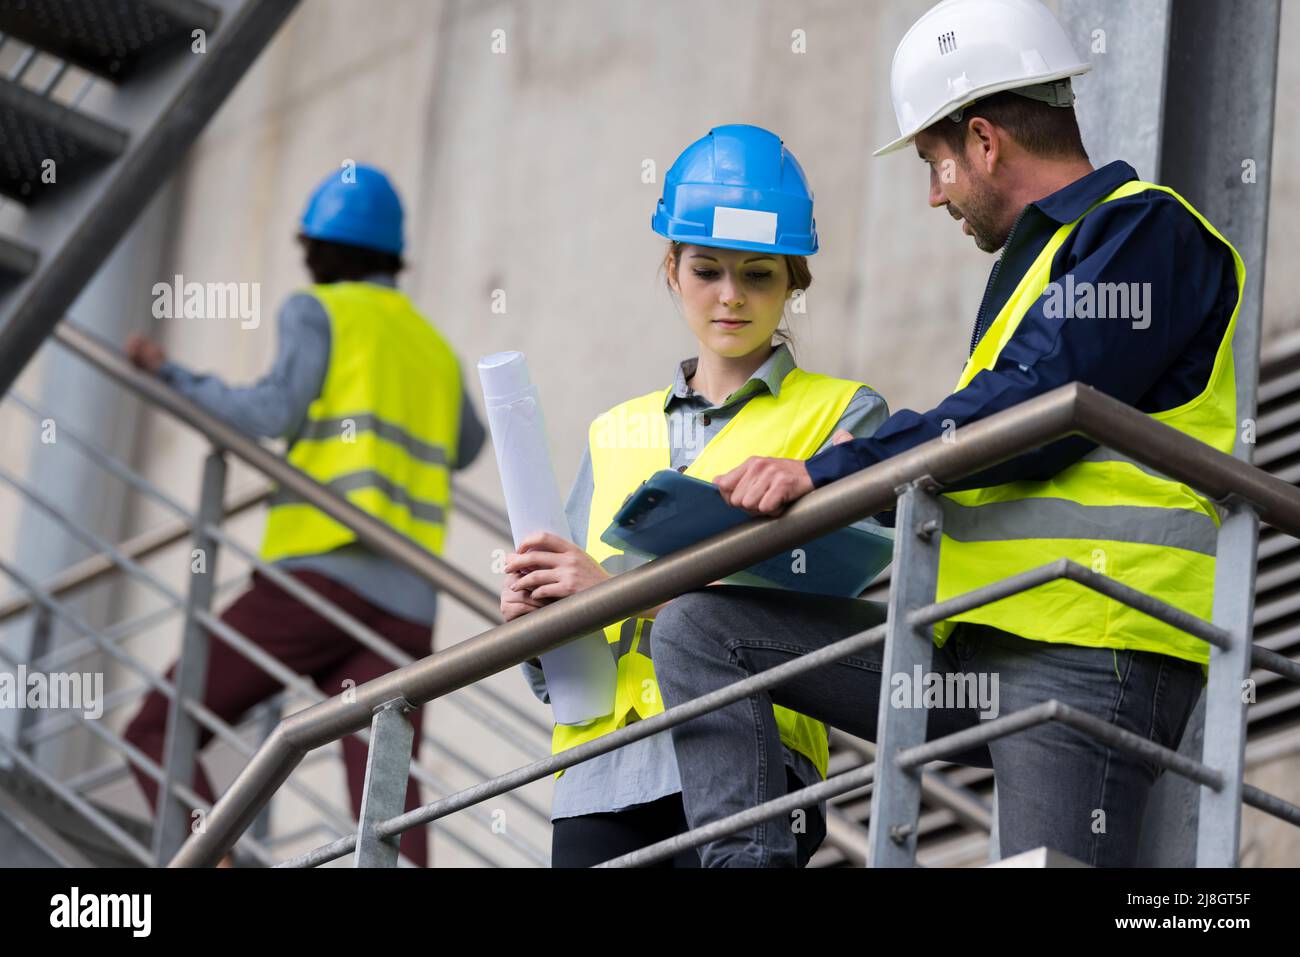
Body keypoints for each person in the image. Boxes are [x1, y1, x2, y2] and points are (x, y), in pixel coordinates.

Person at [650, 0, 1244, 867]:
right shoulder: (1038, 265)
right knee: (698, 627)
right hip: (973, 640)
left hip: (1091, 641)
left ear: (984, 140)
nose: (935, 194)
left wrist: (829, 473)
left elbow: (1033, 412)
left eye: (935, 163)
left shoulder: (1146, 232)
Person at [500, 124, 890, 867]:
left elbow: (822, 591)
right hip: (600, 778)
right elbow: (560, 669)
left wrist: (610, 589)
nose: (731, 297)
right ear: (671, 268)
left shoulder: (845, 415)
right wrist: (535, 620)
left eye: (760, 275)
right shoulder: (613, 431)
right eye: (707, 269)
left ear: (794, 282)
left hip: (751, 754)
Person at [122, 164, 485, 867]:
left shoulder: (316, 310)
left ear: (320, 249)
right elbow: (467, 444)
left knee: (156, 729)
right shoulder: (433, 345)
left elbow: (269, 411)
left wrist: (173, 377)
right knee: (388, 804)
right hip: (408, 602)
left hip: (317, 579)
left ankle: (213, 858)